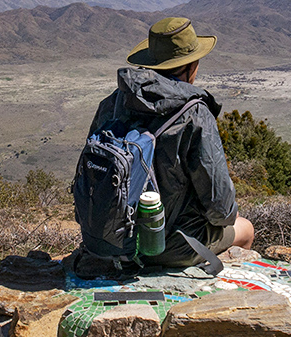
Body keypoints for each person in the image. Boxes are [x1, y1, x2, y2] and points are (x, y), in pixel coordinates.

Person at [88, 17, 254, 268]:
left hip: (109, 240)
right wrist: (231, 215)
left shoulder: (112, 104)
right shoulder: (194, 114)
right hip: (170, 246)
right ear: (191, 66)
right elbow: (220, 209)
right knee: (245, 228)